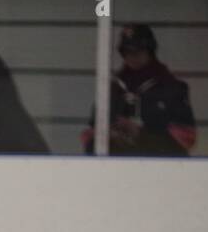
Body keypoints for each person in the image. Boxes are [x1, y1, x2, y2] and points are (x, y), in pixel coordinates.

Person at [83, 24, 196, 156]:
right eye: (126, 52)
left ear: (150, 51)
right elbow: (89, 139)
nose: (131, 56)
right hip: (116, 169)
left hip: (160, 170)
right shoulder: (111, 89)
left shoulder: (172, 88)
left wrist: (140, 134)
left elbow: (185, 141)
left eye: (137, 51)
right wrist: (107, 136)